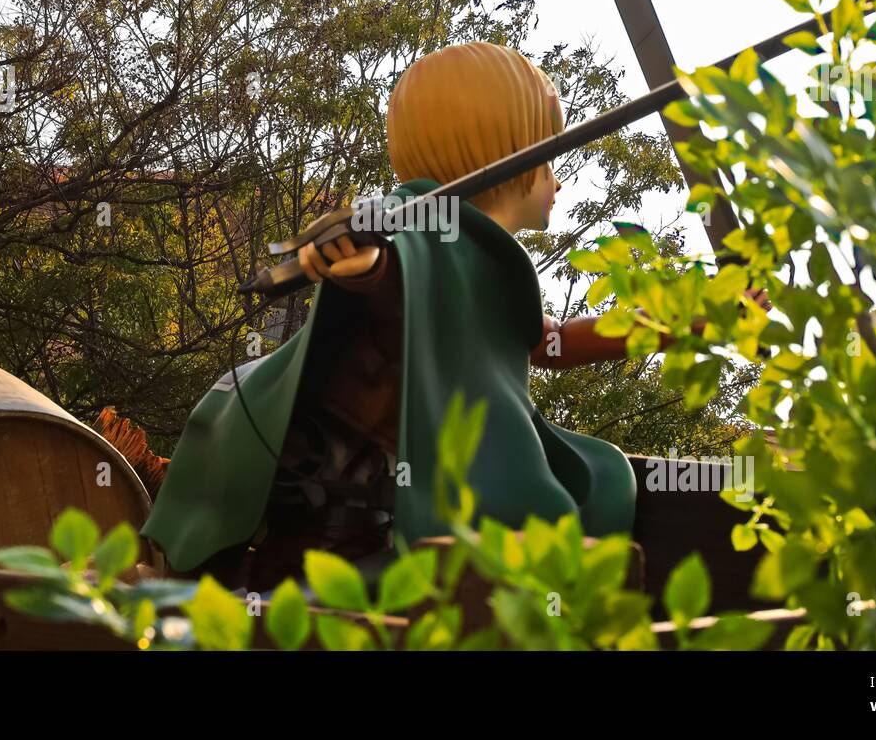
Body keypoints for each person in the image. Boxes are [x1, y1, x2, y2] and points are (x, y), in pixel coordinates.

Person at [142, 41, 707, 590]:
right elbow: (393, 268)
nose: (556, 180)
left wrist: (680, 322)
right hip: (350, 489)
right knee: (578, 494)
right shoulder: (421, 224)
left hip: (391, 478)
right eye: (548, 157)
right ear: (503, 153)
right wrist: (364, 262)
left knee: (604, 474)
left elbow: (548, 345)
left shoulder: (486, 256)